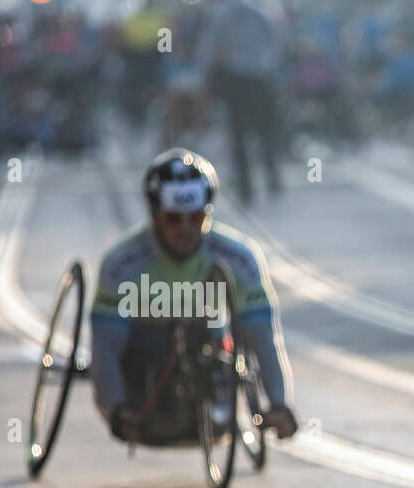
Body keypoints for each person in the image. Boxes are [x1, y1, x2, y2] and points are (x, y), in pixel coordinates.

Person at [89, 149, 298, 444]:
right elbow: (106, 347)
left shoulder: (240, 259)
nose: (185, 229)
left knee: (237, 337)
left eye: (196, 217)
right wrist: (115, 408)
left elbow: (264, 338)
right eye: (174, 218)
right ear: (156, 216)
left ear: (207, 212)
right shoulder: (121, 264)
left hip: (206, 339)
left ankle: (220, 407)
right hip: (143, 346)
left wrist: (278, 404)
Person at [196, 0, 285, 203]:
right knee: (265, 131)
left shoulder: (221, 13)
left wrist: (207, 79)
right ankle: (273, 180)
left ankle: (246, 188)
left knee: (238, 134)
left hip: (235, 78)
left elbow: (212, 50)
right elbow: (277, 44)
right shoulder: (263, 12)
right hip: (261, 78)